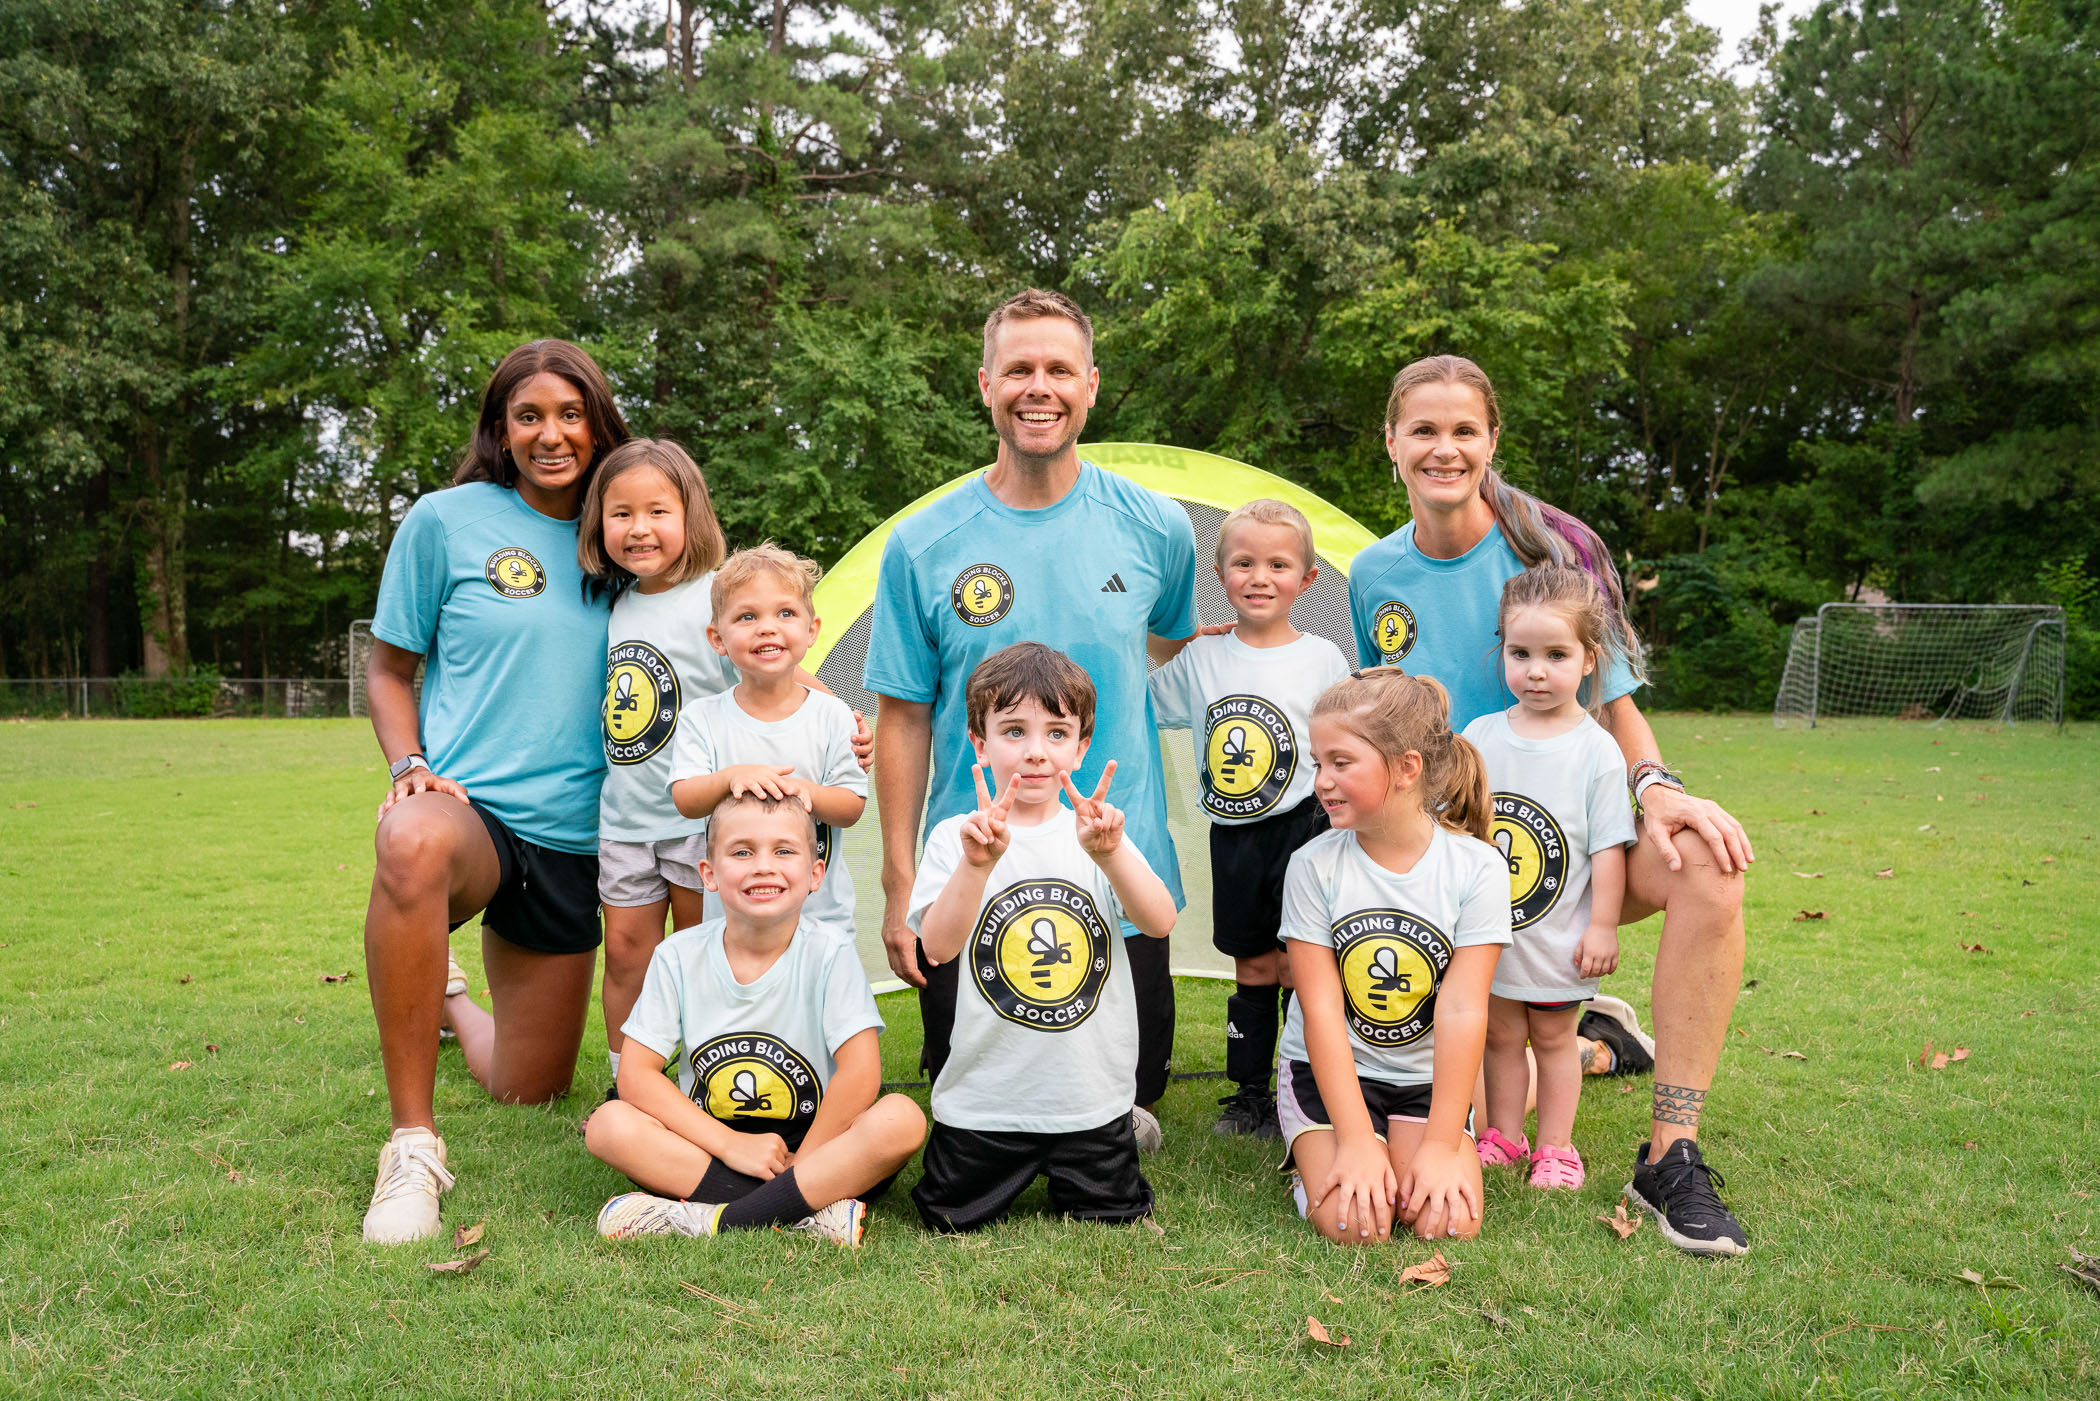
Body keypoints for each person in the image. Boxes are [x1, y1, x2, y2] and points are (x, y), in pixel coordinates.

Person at [1348, 353, 1754, 1256]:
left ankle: (1671, 1152)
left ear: (1492, 440)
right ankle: (1591, 1034)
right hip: (1452, 866)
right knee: (1460, 1059)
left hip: (1572, 852)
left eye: (1464, 430)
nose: (1444, 448)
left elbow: (1617, 707)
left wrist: (1658, 791)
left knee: (1711, 873)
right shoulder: (1373, 572)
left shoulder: (1553, 550)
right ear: (1391, 443)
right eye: (1424, 429)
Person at [864, 289, 1197, 1151]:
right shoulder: (923, 543)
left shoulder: (1157, 528)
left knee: (1133, 1090)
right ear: (985, 384)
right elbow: (901, 713)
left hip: (1111, 872)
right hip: (974, 872)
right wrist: (902, 883)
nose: (1037, 387)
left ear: (1091, 386)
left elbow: (1170, 647)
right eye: (1018, 369)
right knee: (967, 1088)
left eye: (1058, 369)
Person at [358, 339, 629, 1244]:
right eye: (529, 416)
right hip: (473, 814)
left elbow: (731, 621)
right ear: (501, 429)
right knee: (410, 842)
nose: (551, 434)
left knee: (530, 1084)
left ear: (597, 422)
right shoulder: (446, 521)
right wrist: (408, 769)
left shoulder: (631, 525)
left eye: (570, 414)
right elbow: (391, 669)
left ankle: (444, 995)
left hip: (583, 842)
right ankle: (411, 1147)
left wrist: (824, 705)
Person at [583, 446, 873, 1098]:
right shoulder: (614, 603)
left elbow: (782, 672)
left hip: (707, 828)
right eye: (620, 513)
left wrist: (846, 723)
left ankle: (705, 1069)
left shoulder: (713, 599)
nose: (638, 528)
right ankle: (626, 1077)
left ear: (692, 514)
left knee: (708, 951)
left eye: (658, 511)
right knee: (627, 951)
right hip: (629, 816)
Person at [906, 644, 1177, 1231]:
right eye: (1013, 731)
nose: (1034, 752)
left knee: (1118, 1216)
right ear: (979, 743)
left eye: (1057, 733)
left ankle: (1127, 1124)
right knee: (944, 1219)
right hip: (985, 1098)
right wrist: (976, 866)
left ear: (1081, 748)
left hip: (1087, 1097)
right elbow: (938, 947)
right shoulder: (958, 836)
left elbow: (1158, 922)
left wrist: (1110, 856)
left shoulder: (1098, 831)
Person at [587, 793, 926, 1246]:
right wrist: (731, 1146)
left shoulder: (830, 951)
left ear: (815, 874)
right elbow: (635, 1074)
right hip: (710, 1146)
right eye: (742, 851)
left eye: (783, 851)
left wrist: (805, 1161)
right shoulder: (677, 956)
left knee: (901, 1118)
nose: (763, 866)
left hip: (820, 1145)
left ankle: (709, 1219)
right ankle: (808, 1210)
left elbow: (861, 1073)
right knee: (610, 1124)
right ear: (708, 873)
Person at [1278, 669, 1507, 1247]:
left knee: (1446, 1222)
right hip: (1327, 1071)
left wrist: (1439, 1143)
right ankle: (1321, 1157)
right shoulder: (1312, 865)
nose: (1322, 782)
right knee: (1356, 1226)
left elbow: (1460, 1010)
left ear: (1407, 768)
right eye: (1317, 763)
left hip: (1423, 1078)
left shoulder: (1477, 869)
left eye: (1341, 763)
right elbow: (1322, 1009)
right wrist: (1355, 1139)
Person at [1147, 500, 1349, 1138]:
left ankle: (1304, 1084)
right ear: (1220, 572)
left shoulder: (1321, 660)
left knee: (1302, 961)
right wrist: (1164, 642)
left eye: (1278, 564)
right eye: (1244, 563)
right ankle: (1250, 1094)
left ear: (1307, 579)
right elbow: (1141, 697)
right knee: (1254, 965)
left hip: (1308, 830)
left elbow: (1346, 741)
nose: (1260, 577)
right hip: (1235, 837)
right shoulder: (1204, 659)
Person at [1463, 565, 1636, 1190]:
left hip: (1560, 939)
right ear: (1502, 653)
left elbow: (1610, 850)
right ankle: (1502, 1136)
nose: (1536, 670)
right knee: (1502, 1037)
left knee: (1556, 1041)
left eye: (1555, 655)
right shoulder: (1480, 738)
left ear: (1589, 661)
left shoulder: (1596, 750)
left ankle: (1556, 1148)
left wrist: (1603, 928)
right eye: (1521, 653)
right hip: (1491, 935)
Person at [667, 546, 867, 936]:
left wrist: (801, 791)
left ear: (812, 630)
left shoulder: (833, 715)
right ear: (717, 638)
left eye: (786, 613)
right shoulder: (702, 718)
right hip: (732, 924)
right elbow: (686, 799)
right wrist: (732, 778)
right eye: (747, 616)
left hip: (821, 920)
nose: (767, 627)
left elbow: (851, 806)